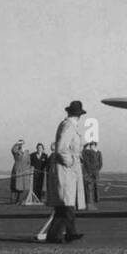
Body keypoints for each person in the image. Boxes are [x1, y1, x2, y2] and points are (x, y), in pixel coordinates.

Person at [45, 100, 87, 243]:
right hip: (66, 169)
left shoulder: (68, 125)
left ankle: (54, 235)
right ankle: (70, 232)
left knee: (64, 204)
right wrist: (71, 162)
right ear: (79, 115)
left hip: (66, 169)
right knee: (67, 202)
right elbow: (62, 148)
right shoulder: (69, 126)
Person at [10, 140, 32, 204]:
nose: (22, 145)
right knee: (15, 185)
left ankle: (21, 200)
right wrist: (16, 144)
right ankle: (13, 200)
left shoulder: (27, 152)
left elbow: (29, 161)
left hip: (25, 170)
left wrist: (28, 168)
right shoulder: (16, 151)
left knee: (23, 186)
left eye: (22, 144)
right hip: (17, 169)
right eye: (20, 144)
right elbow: (13, 150)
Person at [82, 140, 102, 208]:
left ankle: (95, 199)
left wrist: (97, 169)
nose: (91, 146)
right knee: (90, 187)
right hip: (90, 172)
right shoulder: (88, 152)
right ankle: (90, 201)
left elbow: (100, 163)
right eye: (91, 145)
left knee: (95, 186)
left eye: (92, 145)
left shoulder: (98, 152)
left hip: (95, 172)